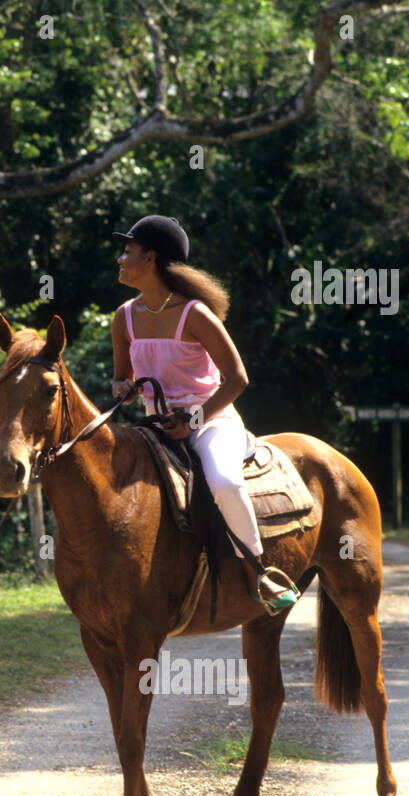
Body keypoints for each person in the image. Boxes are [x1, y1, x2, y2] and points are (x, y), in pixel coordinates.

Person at [109, 215, 300, 614]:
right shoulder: (124, 317)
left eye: (127, 251)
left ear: (151, 258)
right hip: (153, 426)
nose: (120, 259)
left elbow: (237, 378)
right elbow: (120, 381)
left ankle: (257, 572)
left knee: (225, 482)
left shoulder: (194, 314)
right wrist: (122, 390)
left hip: (210, 423)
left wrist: (192, 419)